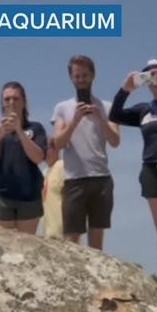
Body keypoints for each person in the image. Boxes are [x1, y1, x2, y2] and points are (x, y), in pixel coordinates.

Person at [109, 57, 157, 299]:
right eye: (148, 74)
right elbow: (114, 114)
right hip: (153, 171)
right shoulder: (143, 110)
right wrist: (125, 89)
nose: (154, 77)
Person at [51, 55, 121, 250]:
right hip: (74, 179)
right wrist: (75, 120)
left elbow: (115, 141)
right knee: (71, 240)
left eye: (84, 75)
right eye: (77, 75)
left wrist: (99, 117)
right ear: (71, 78)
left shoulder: (107, 107)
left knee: (96, 241)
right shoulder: (62, 108)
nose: (81, 79)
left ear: (93, 76)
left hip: (101, 178)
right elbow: (58, 143)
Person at [0, 81, 47, 234]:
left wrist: (20, 131)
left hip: (29, 195)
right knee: (3, 247)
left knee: (27, 246)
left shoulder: (35, 128)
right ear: (2, 103)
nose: (11, 103)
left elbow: (38, 158)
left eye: (15, 99)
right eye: (7, 99)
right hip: (1, 195)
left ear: (23, 102)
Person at [42, 141, 65, 239]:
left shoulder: (63, 166)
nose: (43, 153)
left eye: (46, 149)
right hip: (48, 230)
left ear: (56, 149)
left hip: (63, 231)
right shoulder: (44, 172)